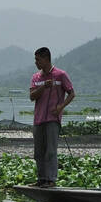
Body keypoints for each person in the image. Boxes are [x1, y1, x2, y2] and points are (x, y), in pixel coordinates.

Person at [29, 47, 75, 187]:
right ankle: (41, 179)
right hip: (38, 119)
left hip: (52, 119)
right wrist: (43, 87)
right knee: (39, 152)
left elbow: (71, 93)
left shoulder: (60, 75)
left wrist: (61, 107)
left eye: (38, 59)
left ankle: (51, 180)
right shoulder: (36, 77)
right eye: (35, 59)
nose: (36, 62)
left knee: (50, 151)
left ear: (46, 59)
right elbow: (32, 96)